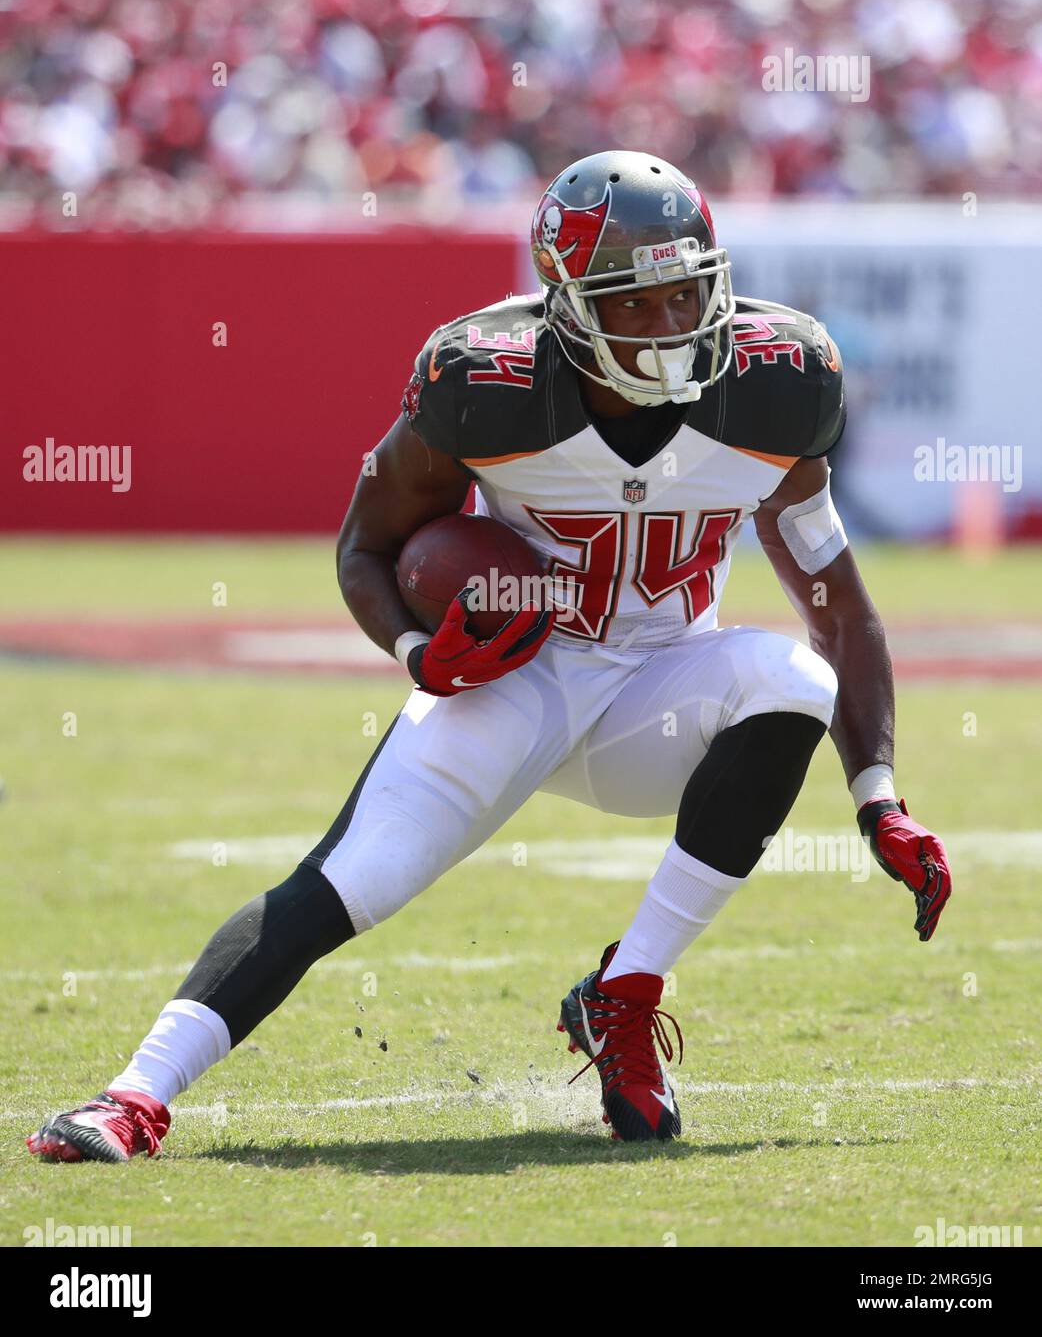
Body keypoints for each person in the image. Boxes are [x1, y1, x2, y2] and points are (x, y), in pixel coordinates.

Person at [27, 150, 951, 1157]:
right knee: (343, 887)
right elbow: (366, 547)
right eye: (633, 303)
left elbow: (835, 602)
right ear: (565, 304)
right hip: (515, 678)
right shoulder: (487, 383)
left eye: (687, 290)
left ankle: (625, 994)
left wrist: (877, 795)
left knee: (792, 683)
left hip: (661, 695)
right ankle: (132, 1097)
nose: (669, 322)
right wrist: (419, 653)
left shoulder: (776, 382)